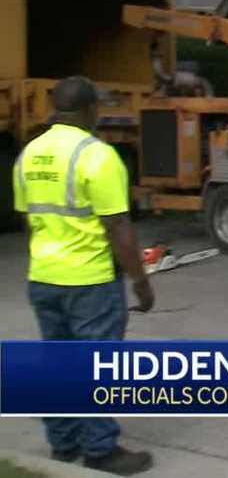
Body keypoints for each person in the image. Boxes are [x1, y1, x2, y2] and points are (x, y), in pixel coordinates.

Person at [15, 76, 155, 475]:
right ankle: (100, 449)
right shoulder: (98, 156)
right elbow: (120, 229)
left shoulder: (29, 154)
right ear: (92, 109)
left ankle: (63, 443)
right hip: (90, 281)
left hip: (43, 276)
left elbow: (31, 221)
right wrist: (141, 283)